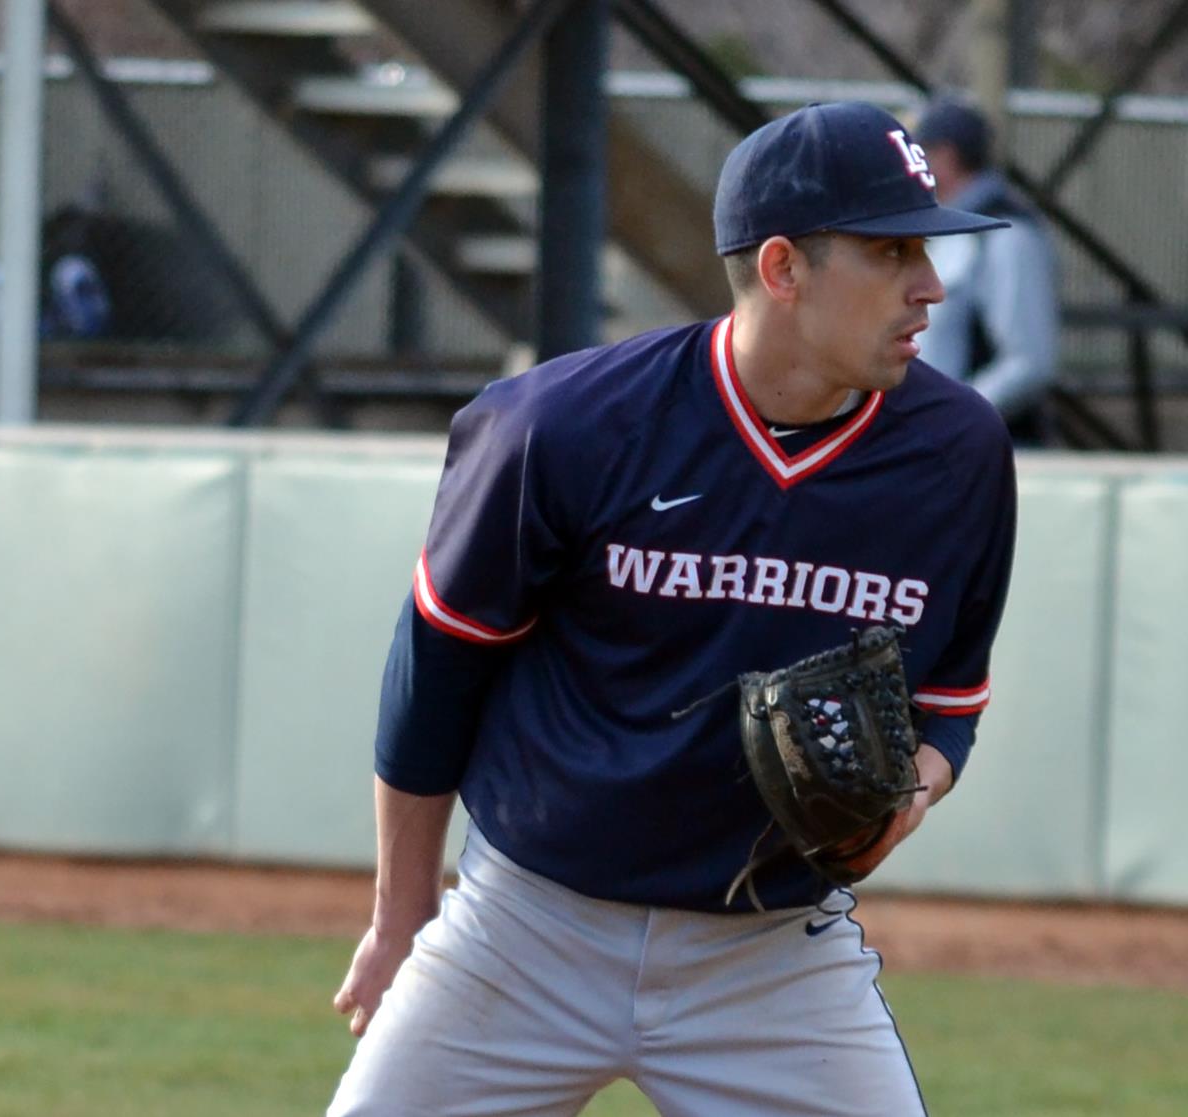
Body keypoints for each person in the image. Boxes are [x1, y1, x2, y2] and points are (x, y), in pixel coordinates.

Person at [324, 100, 1019, 1117]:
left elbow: (948, 699)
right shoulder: (560, 428)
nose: (930, 285)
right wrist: (401, 916)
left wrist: (909, 792)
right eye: (890, 250)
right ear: (782, 269)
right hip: (526, 933)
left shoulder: (957, 455)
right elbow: (436, 672)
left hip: (773, 962)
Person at [910, 97, 1063, 445]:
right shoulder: (947, 227)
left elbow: (1029, 362)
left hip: (990, 451)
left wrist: (949, 419)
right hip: (942, 447)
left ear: (946, 157)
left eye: (917, 155)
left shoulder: (1007, 234)